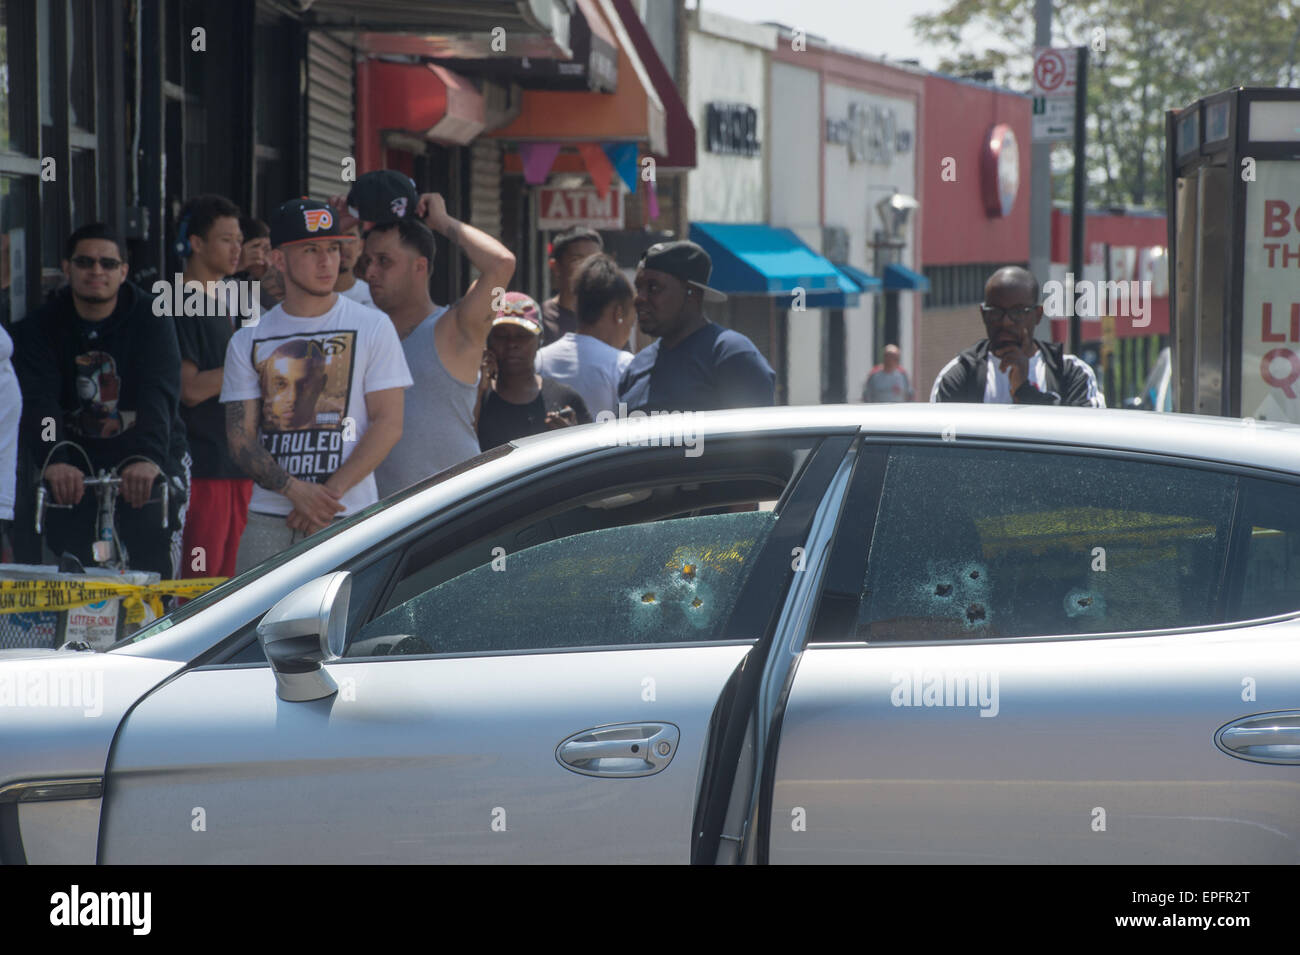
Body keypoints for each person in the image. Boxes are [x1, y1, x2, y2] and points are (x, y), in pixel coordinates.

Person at [221, 198, 413, 573]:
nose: (328, 261)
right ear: (278, 259)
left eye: (332, 248)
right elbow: (239, 438)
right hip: (270, 517)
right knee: (250, 630)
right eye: (310, 250)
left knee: (345, 629)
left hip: (347, 514)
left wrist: (326, 498)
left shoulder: (372, 326)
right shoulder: (247, 339)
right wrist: (295, 492)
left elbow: (389, 423)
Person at [13, 223, 189, 579]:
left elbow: (160, 393)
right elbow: (38, 400)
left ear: (124, 271)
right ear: (67, 268)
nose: (97, 271)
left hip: (146, 450)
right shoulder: (40, 326)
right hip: (76, 460)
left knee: (153, 552)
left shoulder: (152, 318)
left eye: (108, 264)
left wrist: (148, 458)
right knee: (72, 561)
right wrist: (54, 459)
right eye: (85, 262)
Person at [343, 182, 516, 497]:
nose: (370, 272)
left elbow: (501, 264)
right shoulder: (359, 332)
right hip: (371, 527)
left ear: (419, 267)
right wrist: (343, 221)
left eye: (385, 261)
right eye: (367, 261)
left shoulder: (456, 328)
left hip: (448, 519)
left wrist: (443, 223)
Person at [173, 195, 255, 580]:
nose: (237, 248)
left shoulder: (228, 298)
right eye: (226, 239)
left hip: (237, 463)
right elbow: (188, 388)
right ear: (196, 243)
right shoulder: (178, 300)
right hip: (201, 465)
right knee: (197, 584)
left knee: (229, 584)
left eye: (239, 239)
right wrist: (254, 364)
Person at [618, 240, 775, 413]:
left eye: (654, 288)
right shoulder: (636, 367)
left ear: (692, 293)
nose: (639, 298)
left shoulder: (732, 356)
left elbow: (757, 438)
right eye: (638, 287)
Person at [930, 266, 1105, 407]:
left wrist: (1024, 390)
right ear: (984, 315)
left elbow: (1084, 434)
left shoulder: (1072, 373)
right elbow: (939, 442)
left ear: (1037, 315)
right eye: (996, 312)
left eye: (1017, 312)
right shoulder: (959, 376)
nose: (1006, 322)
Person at [476, 292, 591, 450]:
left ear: (539, 341)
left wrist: (572, 440)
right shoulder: (478, 399)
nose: (512, 344)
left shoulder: (566, 399)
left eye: (522, 336)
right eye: (502, 336)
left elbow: (589, 462)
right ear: (488, 342)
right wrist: (478, 392)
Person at [536, 253, 634, 418]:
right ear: (618, 313)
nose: (628, 333)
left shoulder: (540, 360)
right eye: (631, 324)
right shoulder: (623, 365)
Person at [541, 227, 603, 345]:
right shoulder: (540, 319)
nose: (587, 267)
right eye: (577, 260)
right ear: (556, 267)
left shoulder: (609, 319)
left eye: (594, 260)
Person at [335, 223, 374, 307]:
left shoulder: (374, 298)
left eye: (350, 239)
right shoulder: (307, 297)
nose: (343, 246)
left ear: (360, 246)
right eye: (337, 238)